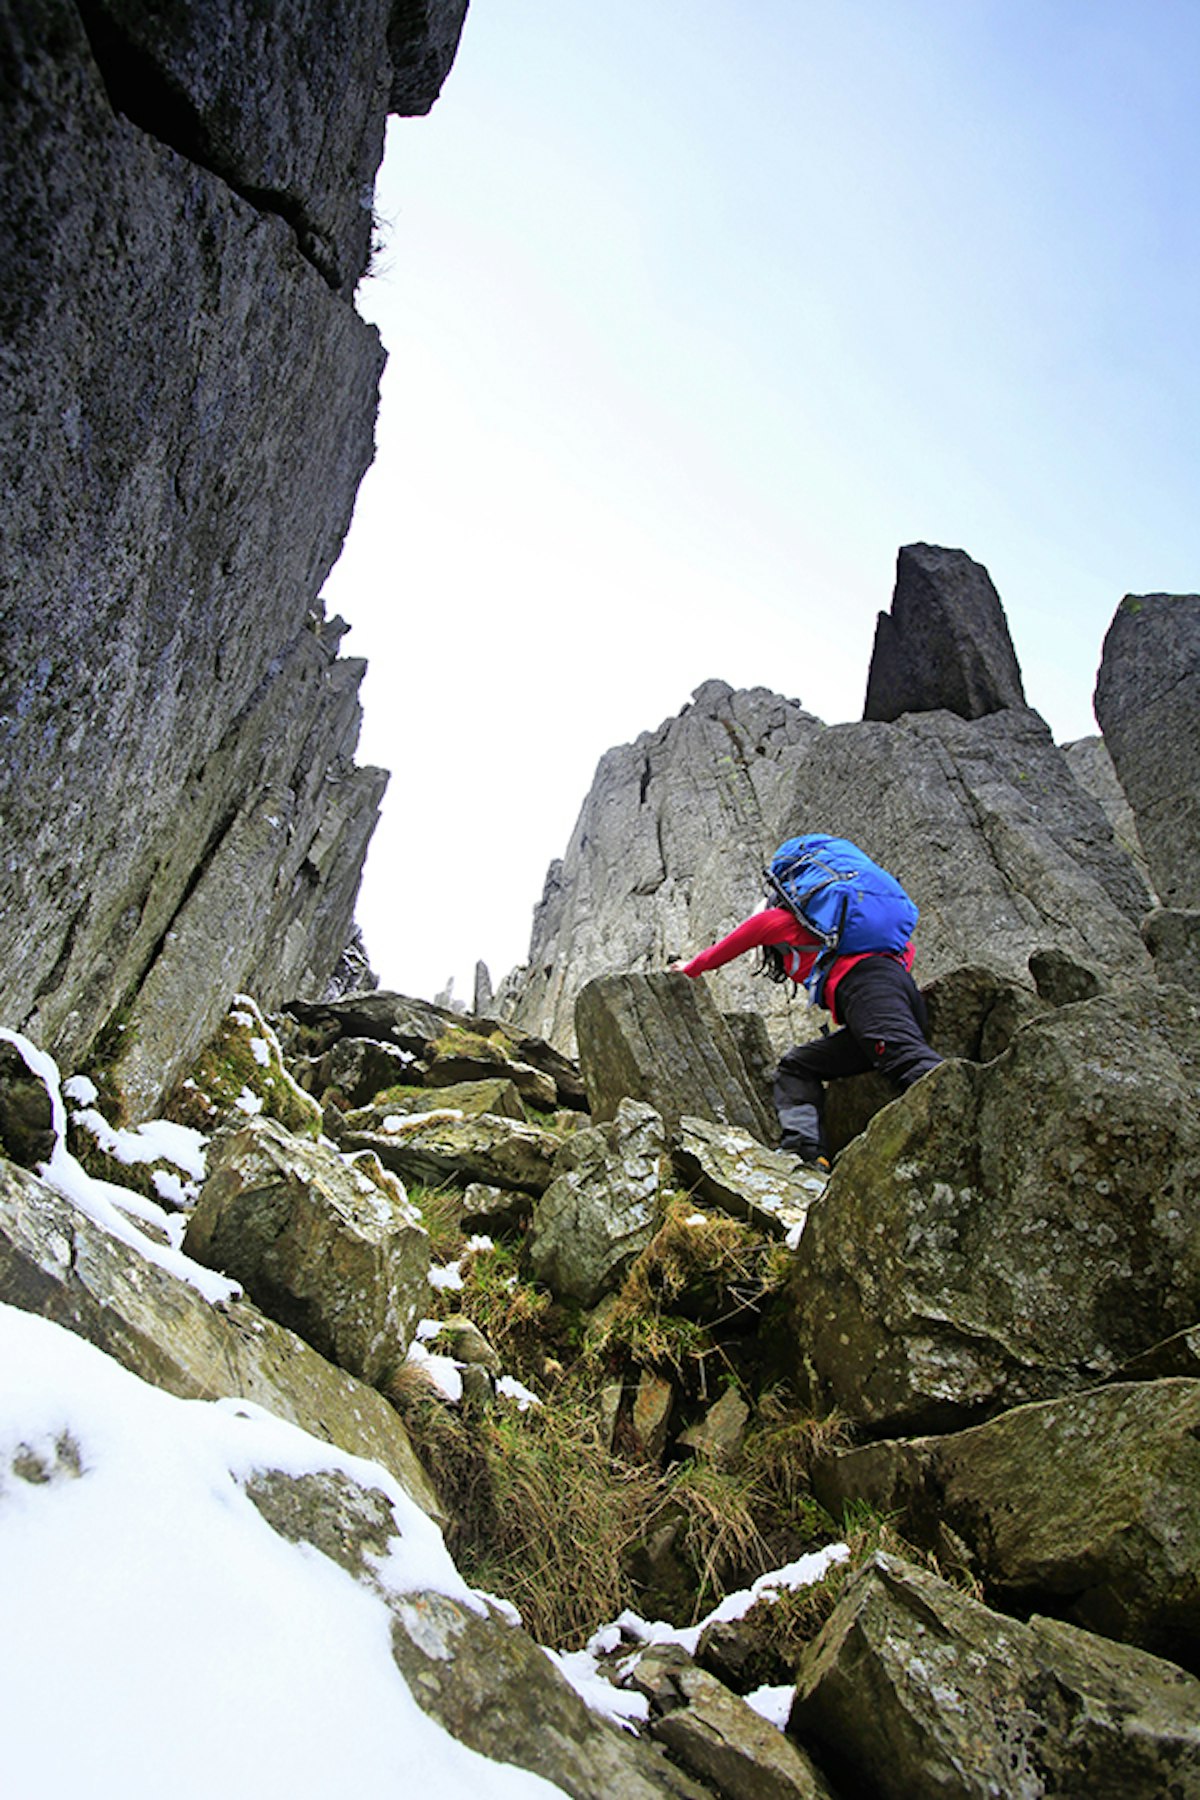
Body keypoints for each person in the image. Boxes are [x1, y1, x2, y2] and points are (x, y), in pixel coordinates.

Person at [669, 900, 941, 1169]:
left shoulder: (783, 920)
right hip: (886, 993)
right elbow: (906, 949)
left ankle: (971, 1107)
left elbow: (740, 939)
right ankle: (805, 1152)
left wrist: (690, 968)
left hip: (867, 988)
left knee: (905, 1059)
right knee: (796, 1066)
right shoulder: (839, 933)